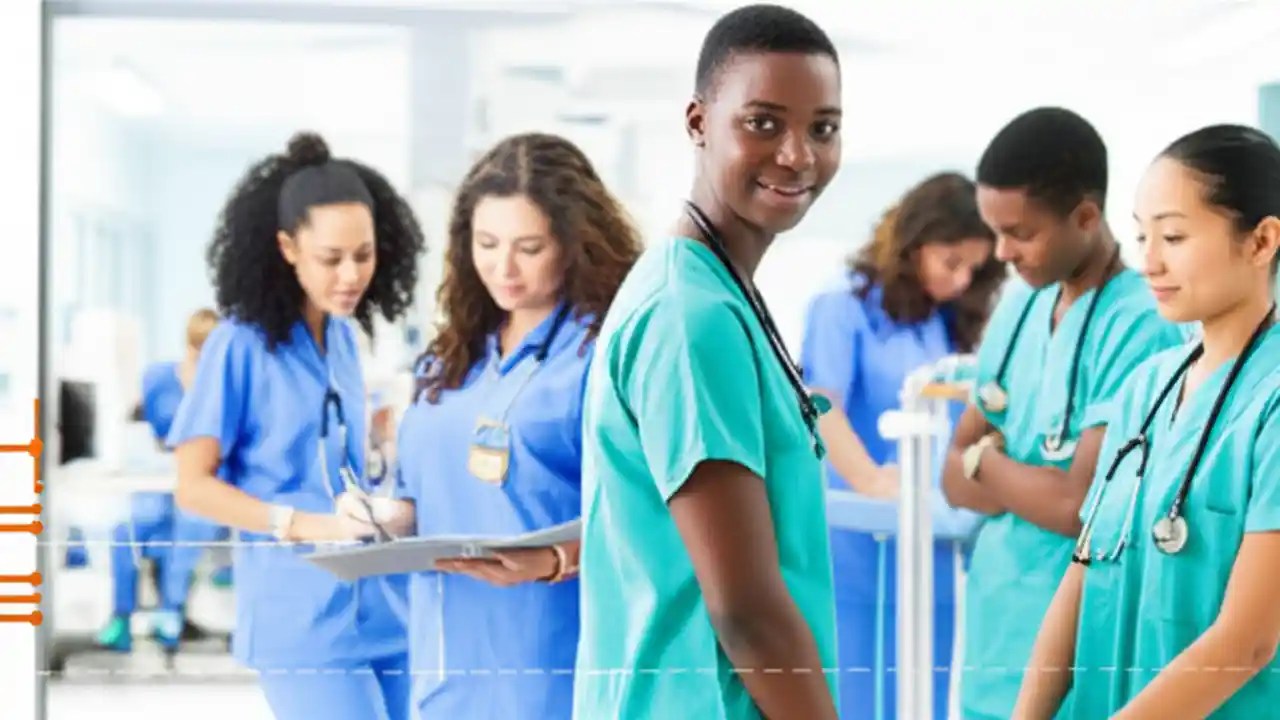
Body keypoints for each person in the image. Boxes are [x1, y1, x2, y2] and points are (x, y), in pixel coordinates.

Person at [573, 5, 844, 719]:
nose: (798, 154)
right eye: (763, 122)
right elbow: (747, 613)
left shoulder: (718, 293)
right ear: (698, 122)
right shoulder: (691, 319)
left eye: (822, 127)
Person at [369, 132, 641, 720]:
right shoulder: (448, 360)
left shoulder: (606, 352)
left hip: (550, 655)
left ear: (573, 243)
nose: (503, 268)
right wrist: (386, 517)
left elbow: (655, 515)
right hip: (445, 653)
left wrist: (551, 560)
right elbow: (423, 491)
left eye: (529, 247)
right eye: (487, 244)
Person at [1016, 124, 1280, 719]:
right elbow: (1080, 579)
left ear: (1261, 241)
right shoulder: (1145, 390)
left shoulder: (1273, 403)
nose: (1150, 261)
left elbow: (1248, 640)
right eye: (1142, 235)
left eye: (1175, 236)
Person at [167, 131, 425, 720]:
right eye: (330, 259)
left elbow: (333, 463)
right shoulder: (239, 344)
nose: (350, 275)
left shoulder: (341, 336)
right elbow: (193, 484)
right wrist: (302, 524)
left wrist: (382, 448)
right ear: (287, 248)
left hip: (382, 606)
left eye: (364, 254)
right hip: (301, 618)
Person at [939, 107, 1186, 719]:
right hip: (992, 645)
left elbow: (1077, 506)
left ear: (1085, 216)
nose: (1002, 253)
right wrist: (998, 470)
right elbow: (949, 476)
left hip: (1075, 651)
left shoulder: (1142, 325)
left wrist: (985, 460)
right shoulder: (1019, 309)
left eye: (1020, 233)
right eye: (994, 231)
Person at [800, 172, 1004, 720]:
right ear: (915, 244)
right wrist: (873, 482)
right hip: (857, 542)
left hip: (929, 540)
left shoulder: (942, 325)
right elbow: (821, 409)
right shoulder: (841, 308)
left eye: (973, 269)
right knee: (859, 695)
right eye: (951, 262)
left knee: (924, 697)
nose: (961, 281)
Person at [98, 308, 225, 654]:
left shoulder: (225, 387)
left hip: (202, 478)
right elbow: (142, 423)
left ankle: (171, 611)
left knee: (189, 528)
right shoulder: (157, 377)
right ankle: (121, 616)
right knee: (128, 530)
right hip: (157, 473)